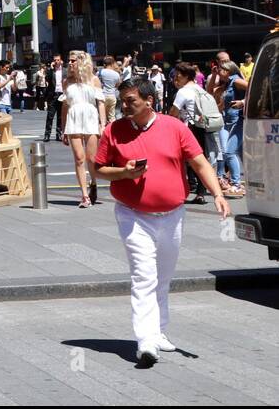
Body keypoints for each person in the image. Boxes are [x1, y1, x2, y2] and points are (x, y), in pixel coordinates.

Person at [95, 78, 231, 366]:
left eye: (131, 100)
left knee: (163, 276)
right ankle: (145, 341)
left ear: (149, 100)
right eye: (123, 99)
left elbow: (199, 162)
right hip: (132, 214)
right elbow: (99, 170)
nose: (124, 105)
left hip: (172, 214)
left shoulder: (175, 127)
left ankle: (159, 331)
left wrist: (218, 194)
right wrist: (123, 173)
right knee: (144, 275)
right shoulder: (114, 130)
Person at [62, 51, 107, 207]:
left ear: (82, 62)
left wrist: (103, 124)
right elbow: (65, 106)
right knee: (79, 158)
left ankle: (93, 182)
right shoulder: (66, 82)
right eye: (69, 61)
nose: (70, 63)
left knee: (91, 158)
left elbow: (101, 103)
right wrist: (63, 129)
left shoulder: (94, 80)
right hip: (73, 119)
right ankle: (84, 195)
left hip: (90, 117)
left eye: (73, 60)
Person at [167, 63, 215, 205]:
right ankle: (200, 192)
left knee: (181, 160)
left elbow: (173, 113)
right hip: (201, 128)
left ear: (186, 76)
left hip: (188, 129)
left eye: (178, 76)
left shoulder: (183, 92)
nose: (176, 78)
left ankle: (182, 189)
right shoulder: (200, 89)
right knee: (200, 159)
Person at [214, 61, 247, 197]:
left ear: (228, 71)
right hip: (229, 120)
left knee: (229, 152)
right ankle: (252, 182)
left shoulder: (236, 81)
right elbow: (214, 94)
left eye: (220, 69)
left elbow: (255, 88)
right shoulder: (227, 84)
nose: (218, 71)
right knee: (241, 153)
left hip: (238, 120)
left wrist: (243, 102)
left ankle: (236, 184)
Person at [43, 55, 65, 141]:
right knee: (50, 116)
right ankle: (47, 134)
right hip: (53, 95)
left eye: (58, 60)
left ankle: (58, 134)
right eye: (55, 60)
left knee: (60, 116)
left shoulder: (65, 71)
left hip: (62, 95)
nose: (56, 62)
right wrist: (51, 69)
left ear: (61, 61)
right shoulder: (51, 71)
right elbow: (47, 79)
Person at [98, 55, 122, 121]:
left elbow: (96, 83)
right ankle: (113, 130)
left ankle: (103, 130)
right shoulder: (116, 74)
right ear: (112, 63)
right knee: (112, 116)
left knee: (102, 117)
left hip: (102, 96)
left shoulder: (100, 72)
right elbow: (118, 85)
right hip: (112, 96)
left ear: (104, 64)